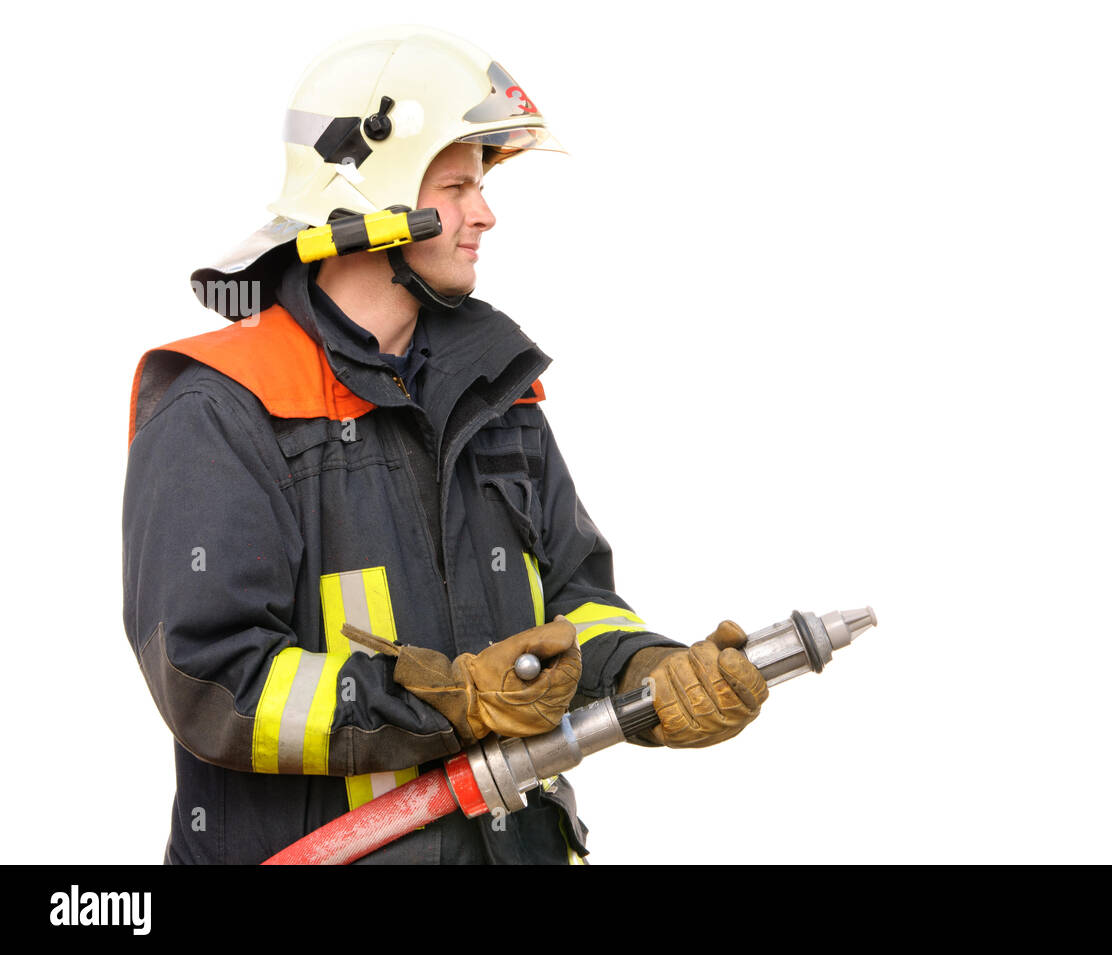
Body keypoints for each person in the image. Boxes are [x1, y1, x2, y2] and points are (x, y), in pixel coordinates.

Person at [122, 25, 769, 865]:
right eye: (459, 185)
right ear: (372, 197)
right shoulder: (224, 408)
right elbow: (211, 681)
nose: (486, 214)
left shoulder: (493, 393)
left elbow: (574, 604)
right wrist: (447, 699)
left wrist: (650, 675)